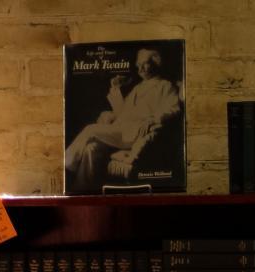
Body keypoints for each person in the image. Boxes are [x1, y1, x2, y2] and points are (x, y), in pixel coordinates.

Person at [65, 48, 181, 188]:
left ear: (155, 63)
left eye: (145, 64)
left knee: (90, 129)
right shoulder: (138, 87)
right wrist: (116, 88)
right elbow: (122, 113)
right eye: (139, 65)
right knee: (91, 148)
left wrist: (154, 119)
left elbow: (174, 108)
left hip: (134, 133)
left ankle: (66, 165)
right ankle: (81, 188)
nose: (140, 68)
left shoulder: (165, 85)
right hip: (121, 131)